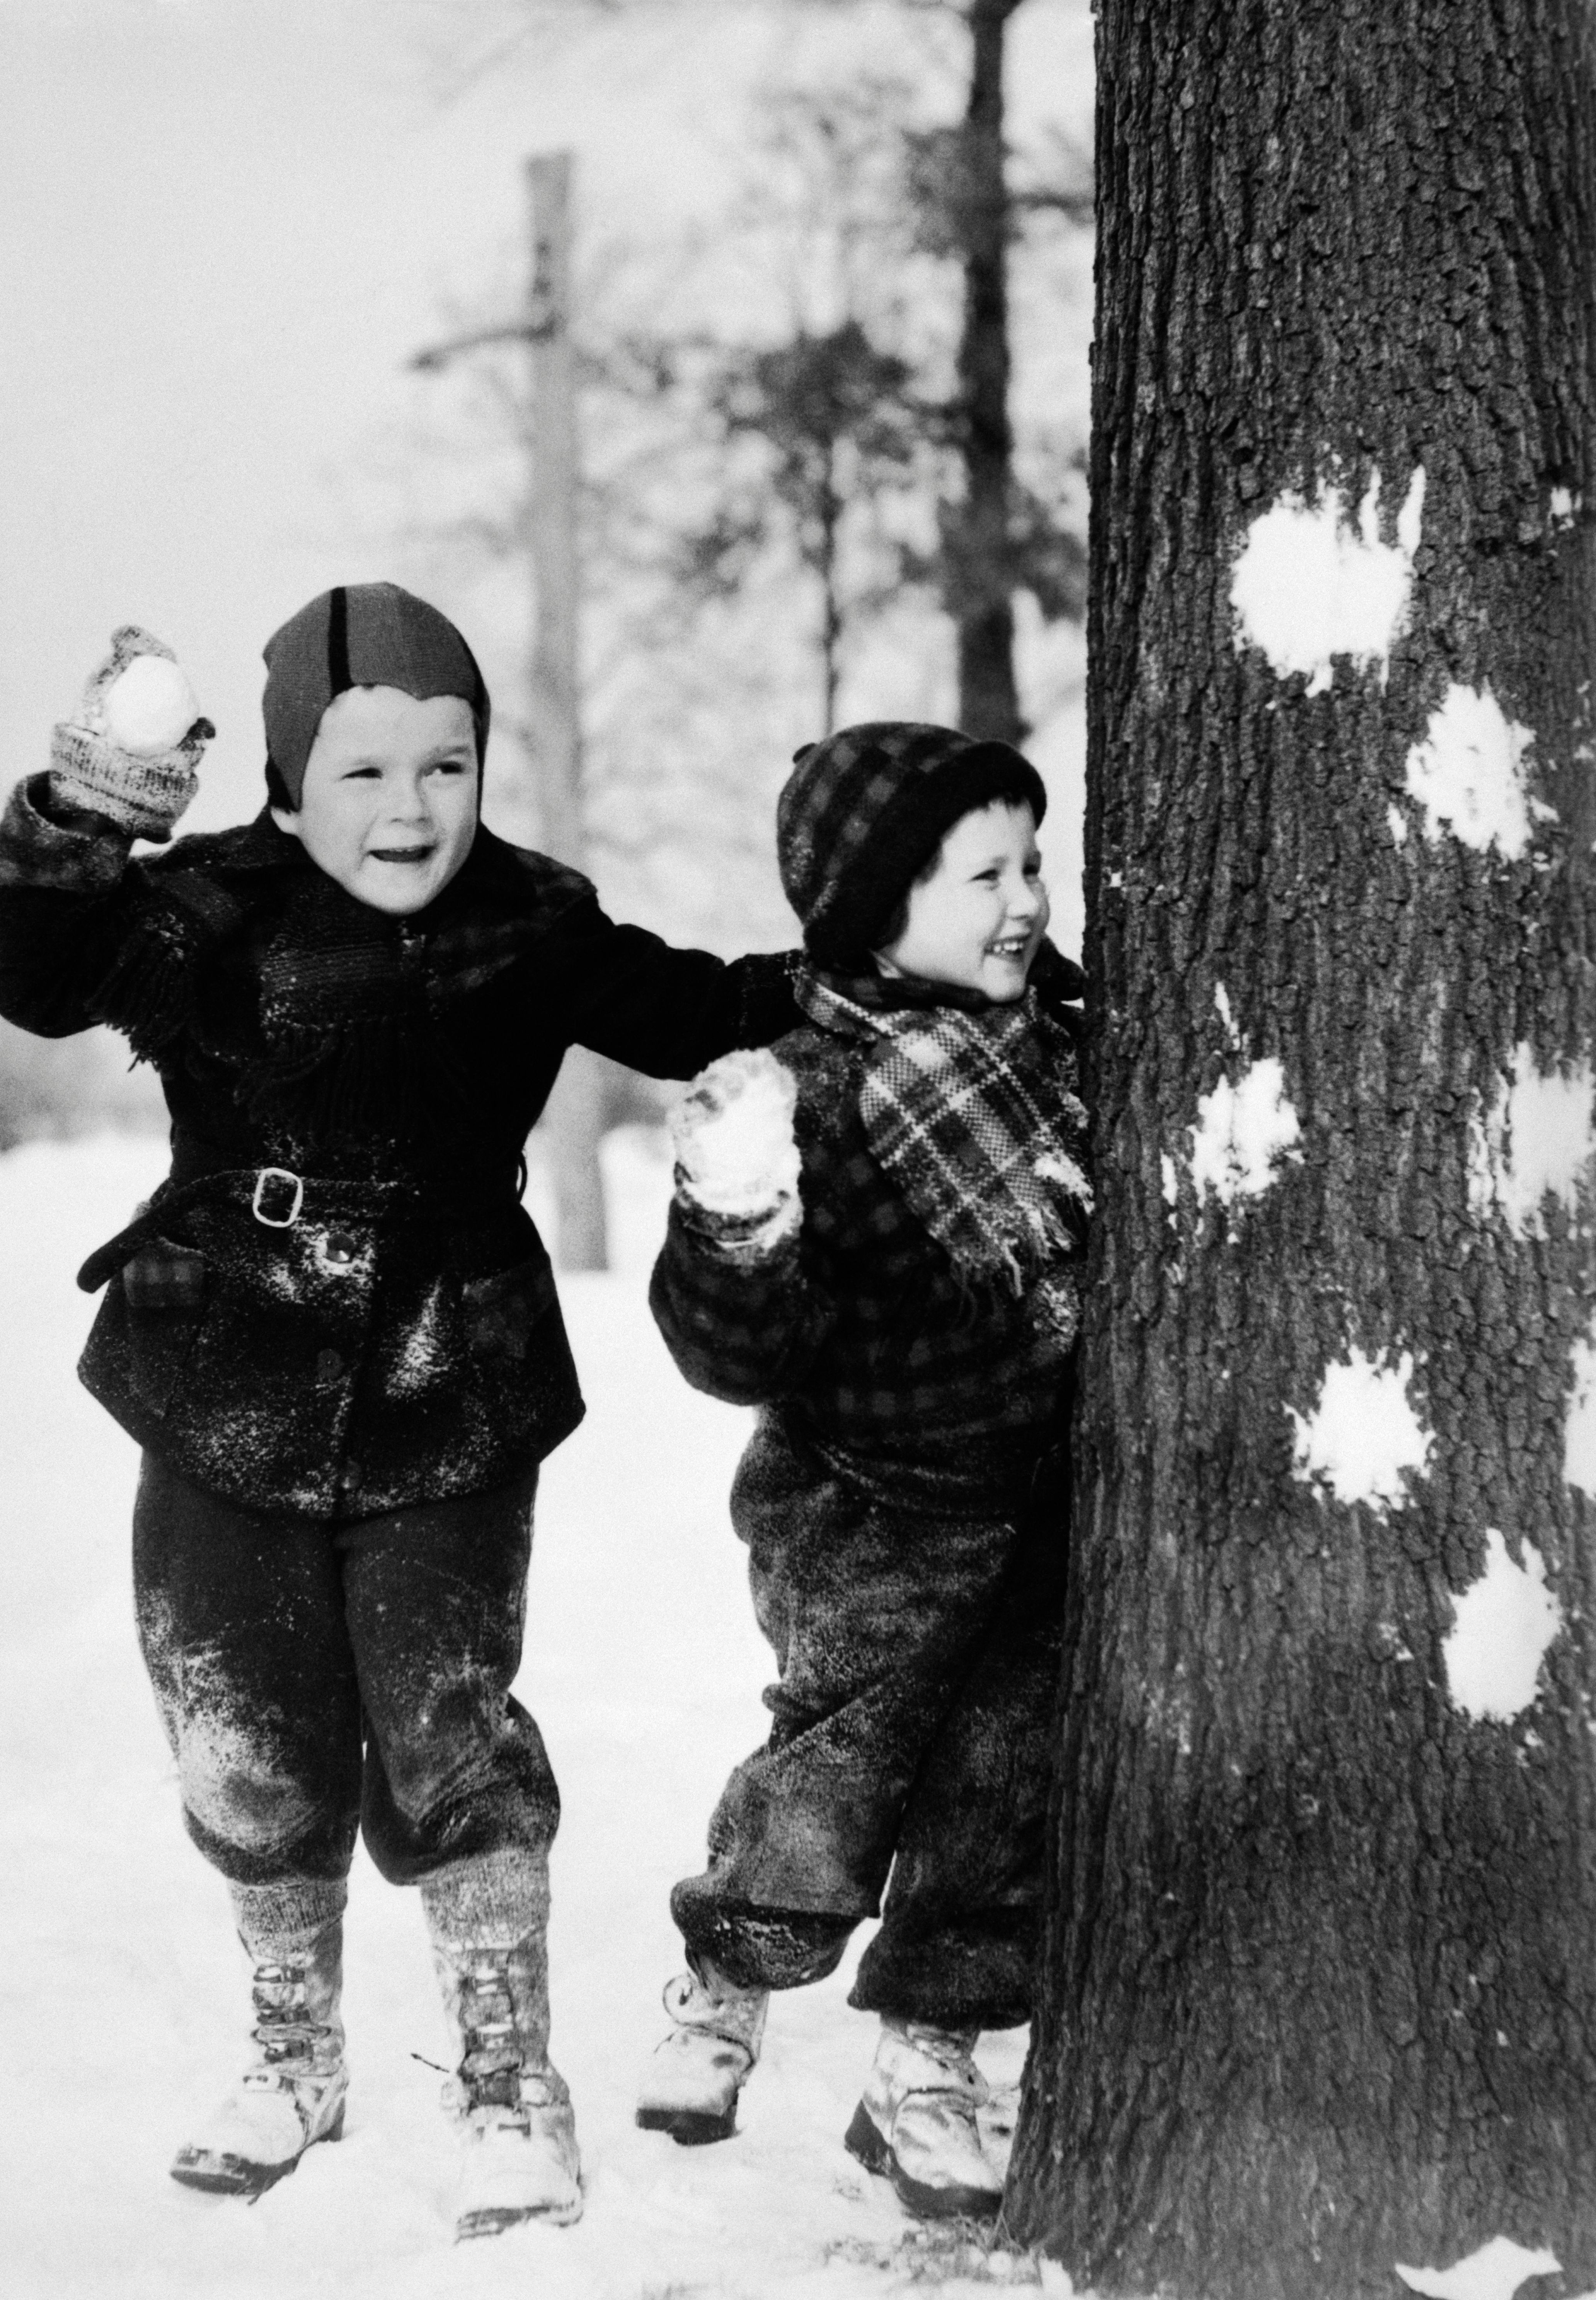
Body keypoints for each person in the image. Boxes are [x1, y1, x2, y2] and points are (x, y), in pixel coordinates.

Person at [0, 587, 798, 2237]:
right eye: (362, 772)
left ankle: (506, 2079)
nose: (411, 807)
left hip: (451, 1377)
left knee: (448, 1724)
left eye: (446, 766)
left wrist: (890, 966)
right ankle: (294, 2055)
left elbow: (699, 1006)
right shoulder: (206, 908)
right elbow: (43, 978)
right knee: (238, 1727)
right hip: (220, 1367)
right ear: (288, 788)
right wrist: (84, 809)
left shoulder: (529, 920)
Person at [637, 720, 1089, 2218]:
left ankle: (928, 2063)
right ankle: (727, 1973)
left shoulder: (1066, 1053)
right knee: (835, 1769)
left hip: (1038, 1502)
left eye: (1030, 864)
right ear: (872, 905)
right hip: (867, 1508)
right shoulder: (801, 1091)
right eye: (981, 876)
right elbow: (732, 1352)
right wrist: (735, 1220)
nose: (1024, 900)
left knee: (1000, 1790)